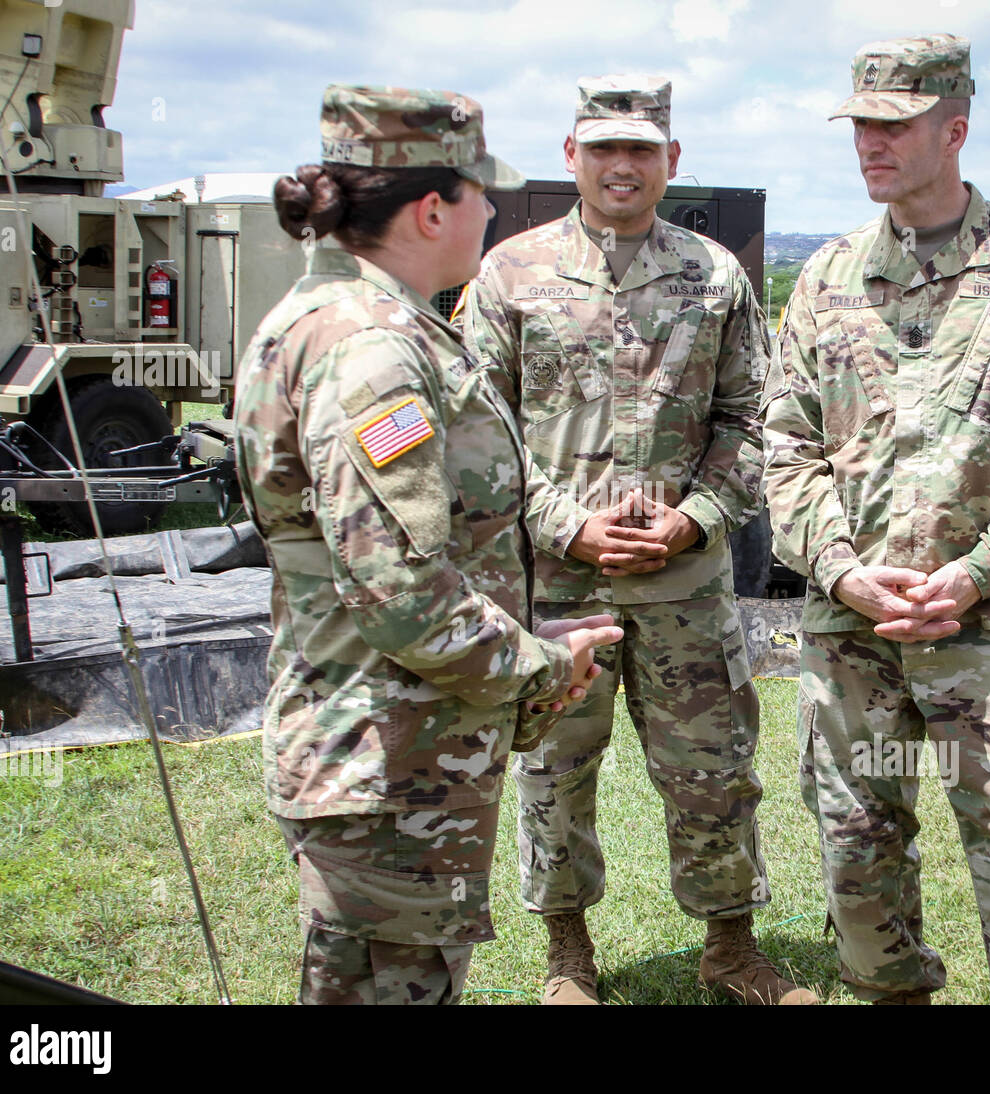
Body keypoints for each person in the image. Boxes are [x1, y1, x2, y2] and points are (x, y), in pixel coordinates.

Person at [233, 85, 622, 1005]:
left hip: (395, 745)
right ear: (433, 206)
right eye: (482, 191)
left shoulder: (344, 319)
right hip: (388, 760)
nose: (493, 211)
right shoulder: (372, 345)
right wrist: (539, 667)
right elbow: (399, 586)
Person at [761, 35, 990, 1005]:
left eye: (893, 125)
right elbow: (784, 446)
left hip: (988, 630)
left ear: (953, 130)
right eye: (860, 125)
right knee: (855, 857)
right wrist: (838, 569)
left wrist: (973, 571)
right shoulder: (826, 277)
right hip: (852, 631)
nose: (868, 143)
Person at [462, 75, 815, 1005]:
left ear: (672, 161)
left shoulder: (715, 274)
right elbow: (478, 435)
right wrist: (566, 525)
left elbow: (753, 416)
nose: (623, 165)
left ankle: (732, 948)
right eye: (604, 148)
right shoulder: (508, 275)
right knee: (553, 770)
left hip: (685, 585)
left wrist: (695, 516)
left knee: (713, 773)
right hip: (560, 588)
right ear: (571, 156)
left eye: (642, 150)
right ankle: (567, 956)